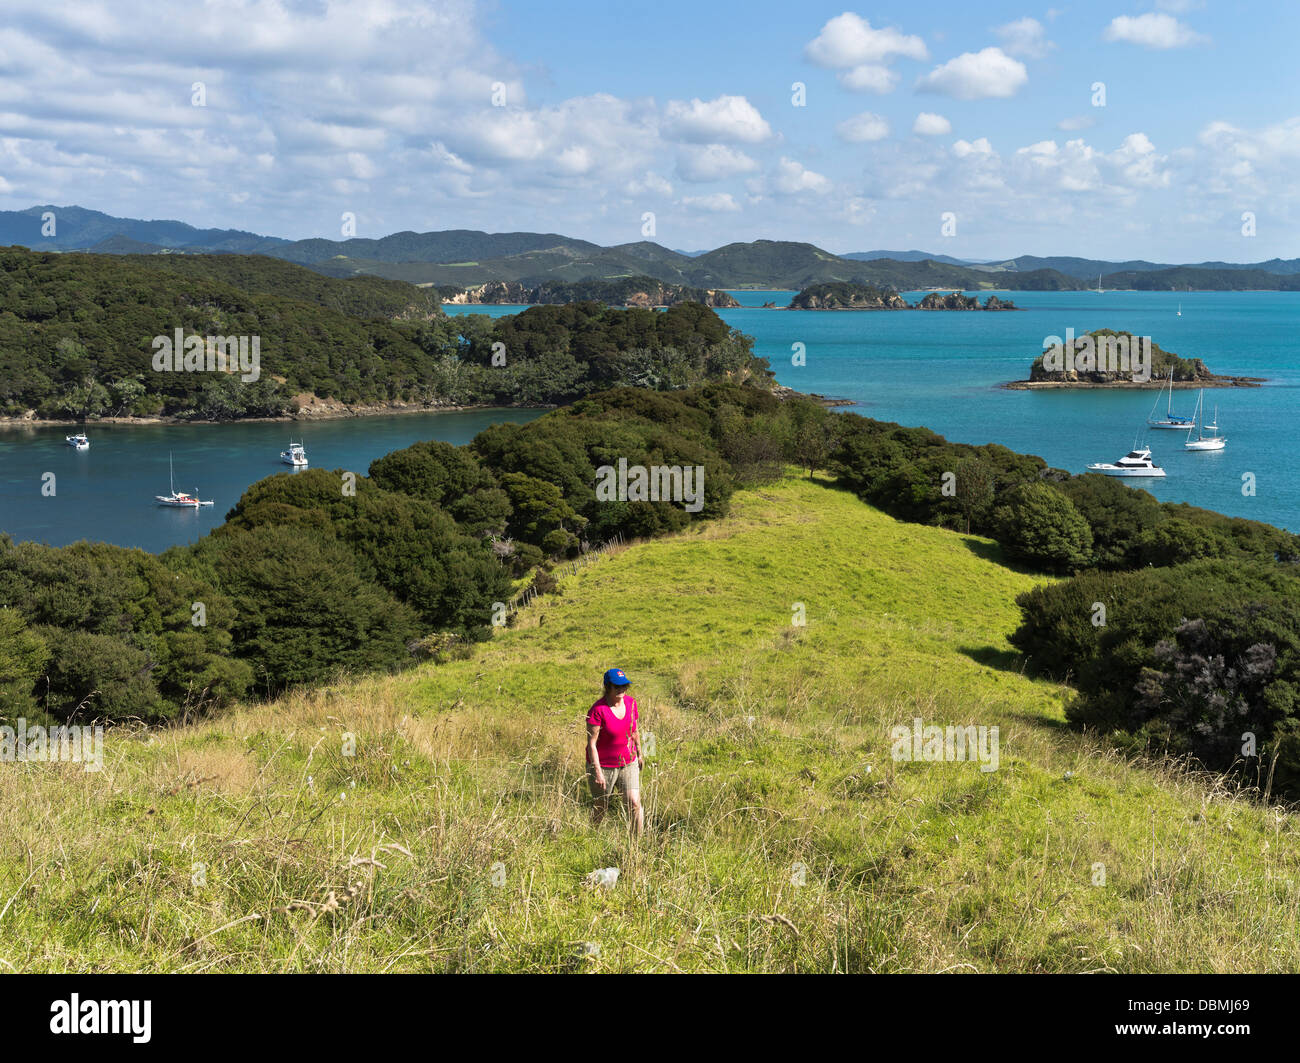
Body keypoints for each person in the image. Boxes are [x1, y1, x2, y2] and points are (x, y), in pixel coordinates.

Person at [585, 667, 643, 836]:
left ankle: (638, 845)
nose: (621, 689)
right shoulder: (597, 710)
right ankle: (590, 837)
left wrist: (640, 754)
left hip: (628, 762)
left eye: (624, 685)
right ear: (607, 687)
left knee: (634, 802)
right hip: (603, 766)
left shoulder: (631, 703)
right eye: (617, 686)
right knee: (601, 807)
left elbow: (635, 731)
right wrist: (597, 772)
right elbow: (592, 744)